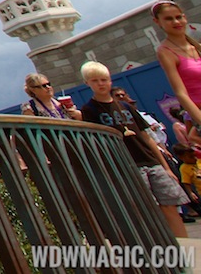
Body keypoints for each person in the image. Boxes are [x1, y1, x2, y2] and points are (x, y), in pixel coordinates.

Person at [80, 60, 189, 238]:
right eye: (95, 80)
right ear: (87, 83)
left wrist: (166, 167)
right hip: (128, 164)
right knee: (146, 208)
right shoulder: (90, 110)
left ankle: (183, 247)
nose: (101, 84)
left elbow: (147, 137)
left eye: (104, 79)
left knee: (169, 204)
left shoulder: (126, 107)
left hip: (149, 159)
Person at [153, 0, 201, 126]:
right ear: (157, 22)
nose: (176, 22)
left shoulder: (197, 47)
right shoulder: (166, 52)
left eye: (178, 17)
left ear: (184, 17)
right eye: (169, 19)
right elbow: (181, 93)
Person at [111, 86, 169, 151]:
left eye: (122, 95)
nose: (121, 97)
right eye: (117, 95)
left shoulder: (142, 115)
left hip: (156, 147)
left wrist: (163, 149)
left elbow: (149, 134)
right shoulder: (114, 117)